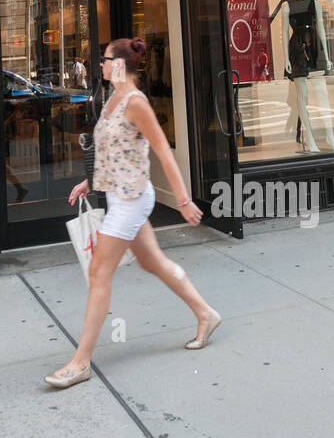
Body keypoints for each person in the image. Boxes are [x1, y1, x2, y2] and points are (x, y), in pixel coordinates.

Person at [44, 37, 221, 389]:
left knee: (98, 273)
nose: (101, 65)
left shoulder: (136, 103)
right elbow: (115, 152)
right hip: (118, 196)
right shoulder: (113, 99)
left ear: (120, 64)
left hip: (132, 201)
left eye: (105, 59)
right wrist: (89, 182)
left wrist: (184, 201)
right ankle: (206, 314)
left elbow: (163, 153)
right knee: (152, 263)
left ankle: (80, 363)